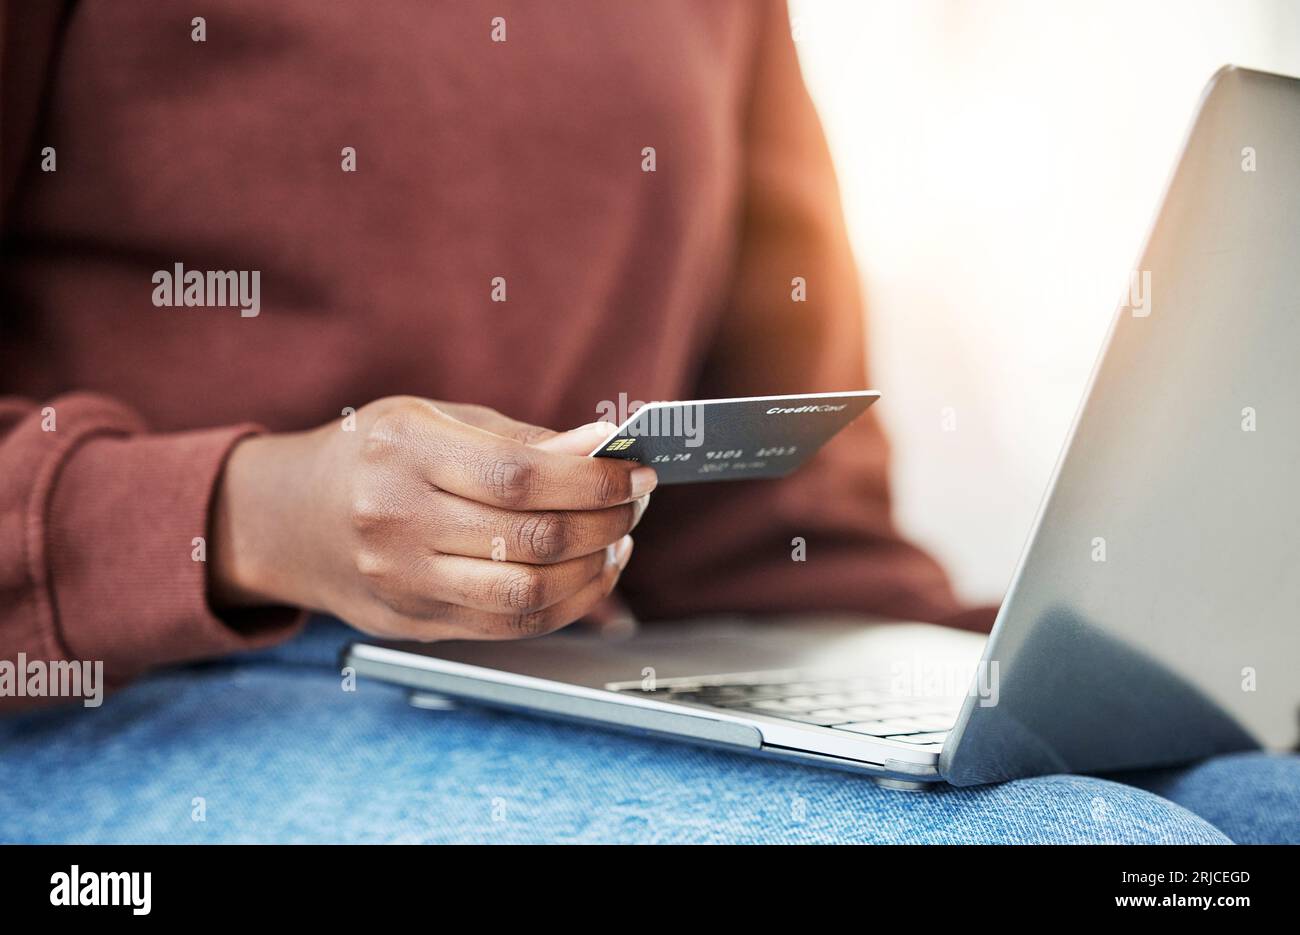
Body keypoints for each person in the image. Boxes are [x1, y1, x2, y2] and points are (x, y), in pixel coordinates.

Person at [0, 1, 1294, 843]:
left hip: (578, 679)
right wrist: (250, 516)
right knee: (1102, 853)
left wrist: (1086, 667)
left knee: (1268, 807)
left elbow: (776, 542)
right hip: (120, 704)